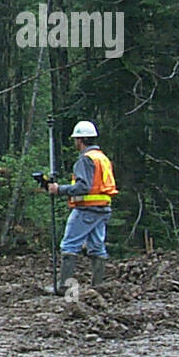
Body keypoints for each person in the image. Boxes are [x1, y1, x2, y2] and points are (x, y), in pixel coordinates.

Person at [46, 120, 117, 289]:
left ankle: (64, 286)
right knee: (97, 247)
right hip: (102, 208)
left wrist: (59, 189)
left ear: (80, 140)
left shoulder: (86, 159)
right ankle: (98, 286)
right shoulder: (102, 158)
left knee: (69, 245)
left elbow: (83, 187)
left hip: (87, 209)